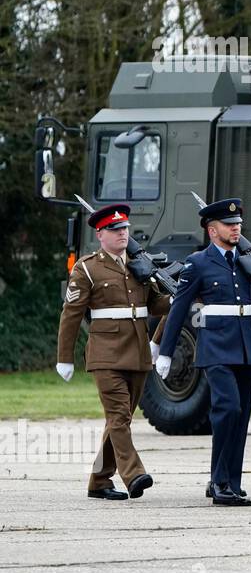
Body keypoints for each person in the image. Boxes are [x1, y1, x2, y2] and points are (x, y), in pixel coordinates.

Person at [158, 197, 251, 506]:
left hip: (246, 348)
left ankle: (232, 482)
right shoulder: (198, 263)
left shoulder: (248, 261)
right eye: (229, 224)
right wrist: (165, 352)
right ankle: (218, 479)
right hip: (215, 347)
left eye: (238, 224)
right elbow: (179, 309)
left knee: (241, 417)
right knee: (228, 409)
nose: (236, 228)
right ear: (213, 230)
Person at [56, 203, 171, 500]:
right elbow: (71, 314)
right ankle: (133, 474)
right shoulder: (88, 267)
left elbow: (157, 305)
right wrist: (64, 358)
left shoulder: (139, 264)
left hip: (137, 352)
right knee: (119, 416)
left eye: (125, 229)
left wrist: (175, 290)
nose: (122, 233)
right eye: (115, 229)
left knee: (119, 420)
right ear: (100, 235)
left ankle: (99, 481)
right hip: (105, 354)